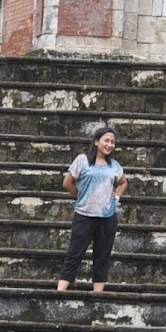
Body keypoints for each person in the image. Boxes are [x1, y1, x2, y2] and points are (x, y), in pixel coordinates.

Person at [56, 126, 128, 293]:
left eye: (113, 142)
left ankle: (98, 294)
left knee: (102, 256)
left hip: (107, 217)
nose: (109, 145)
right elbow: (67, 183)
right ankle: (60, 291)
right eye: (106, 140)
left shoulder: (114, 165)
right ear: (96, 142)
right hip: (84, 215)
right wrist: (80, 195)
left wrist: (117, 196)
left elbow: (123, 183)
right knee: (74, 254)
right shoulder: (82, 160)